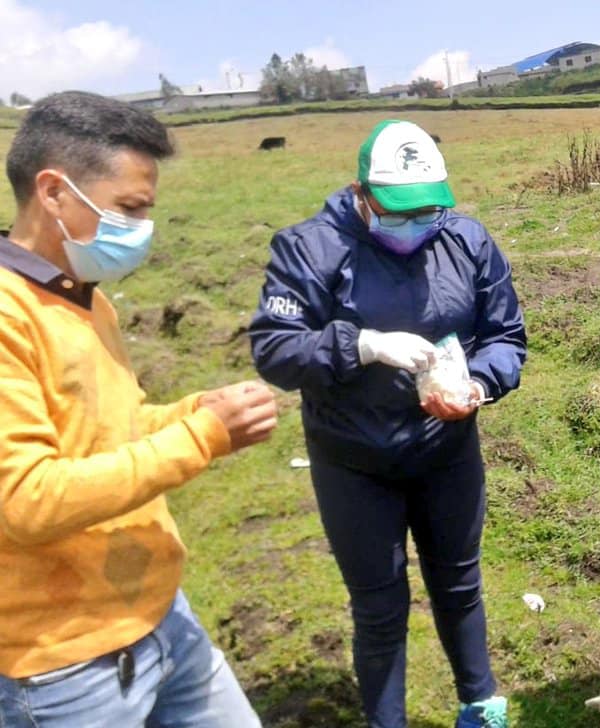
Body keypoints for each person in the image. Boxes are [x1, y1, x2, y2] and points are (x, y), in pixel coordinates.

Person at [0, 92, 277, 726]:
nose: (143, 229)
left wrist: (188, 412)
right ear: (53, 192)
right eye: (129, 209)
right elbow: (27, 499)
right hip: (65, 667)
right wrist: (202, 437)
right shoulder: (8, 316)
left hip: (159, 616)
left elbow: (105, 435)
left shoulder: (84, 299)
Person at [249, 119, 526, 728]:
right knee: (378, 606)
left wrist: (477, 383)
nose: (416, 223)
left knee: (458, 585)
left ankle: (480, 706)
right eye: (398, 211)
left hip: (445, 450)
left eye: (428, 210)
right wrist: (363, 346)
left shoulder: (468, 241)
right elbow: (275, 349)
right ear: (360, 193)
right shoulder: (309, 248)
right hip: (354, 460)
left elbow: (506, 336)